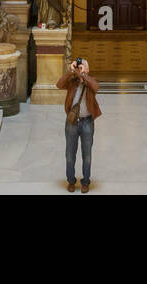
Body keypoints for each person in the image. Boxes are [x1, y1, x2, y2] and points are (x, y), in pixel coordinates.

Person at [56, 57, 101, 193]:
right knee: (70, 154)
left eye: (83, 67)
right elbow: (59, 84)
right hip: (72, 123)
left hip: (87, 122)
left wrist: (83, 75)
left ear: (87, 69)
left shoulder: (90, 81)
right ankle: (71, 181)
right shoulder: (72, 82)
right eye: (79, 67)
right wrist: (71, 71)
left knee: (87, 155)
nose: (80, 69)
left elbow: (96, 87)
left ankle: (85, 182)